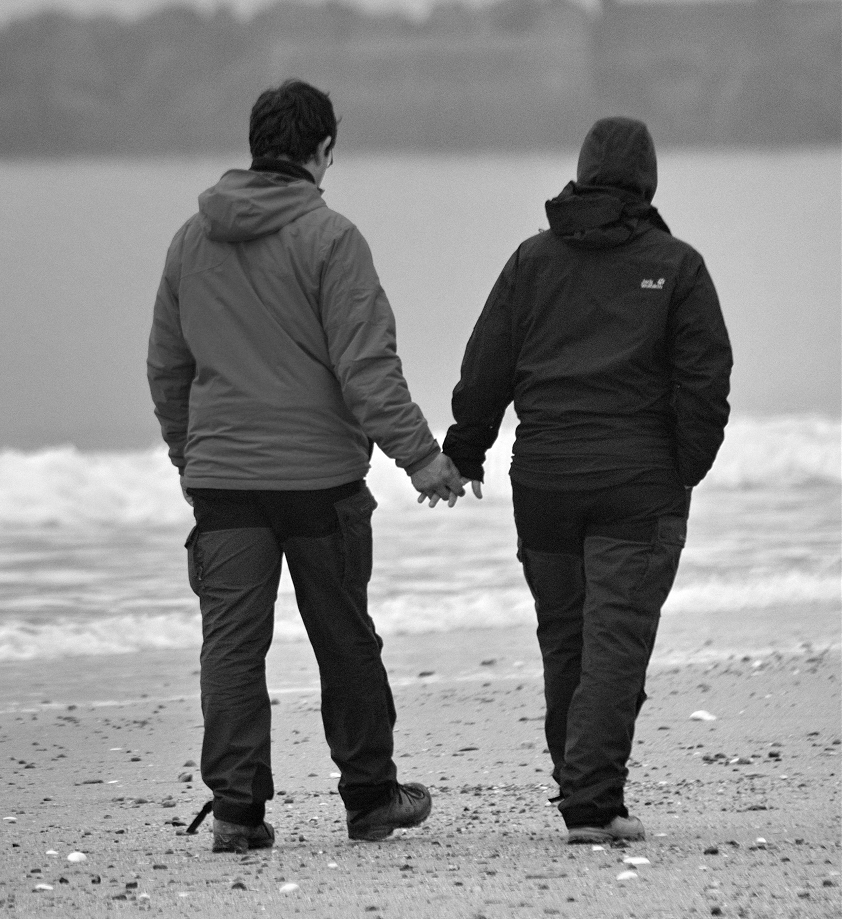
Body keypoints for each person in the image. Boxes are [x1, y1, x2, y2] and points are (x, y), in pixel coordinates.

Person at [147, 78, 468, 852]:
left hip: (223, 485)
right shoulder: (331, 239)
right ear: (322, 151)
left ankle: (236, 811)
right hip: (319, 483)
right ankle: (367, 800)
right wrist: (421, 458)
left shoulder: (191, 240)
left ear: (257, 146)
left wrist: (191, 454)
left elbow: (166, 366)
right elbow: (366, 369)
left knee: (230, 647)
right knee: (343, 639)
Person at [442, 116, 732, 845]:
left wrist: (466, 449)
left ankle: (583, 789)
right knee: (614, 643)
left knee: (566, 641)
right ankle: (592, 804)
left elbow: (486, 366)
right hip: (636, 483)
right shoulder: (676, 264)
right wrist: (681, 470)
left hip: (542, 482)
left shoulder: (530, 261)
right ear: (647, 180)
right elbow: (706, 382)